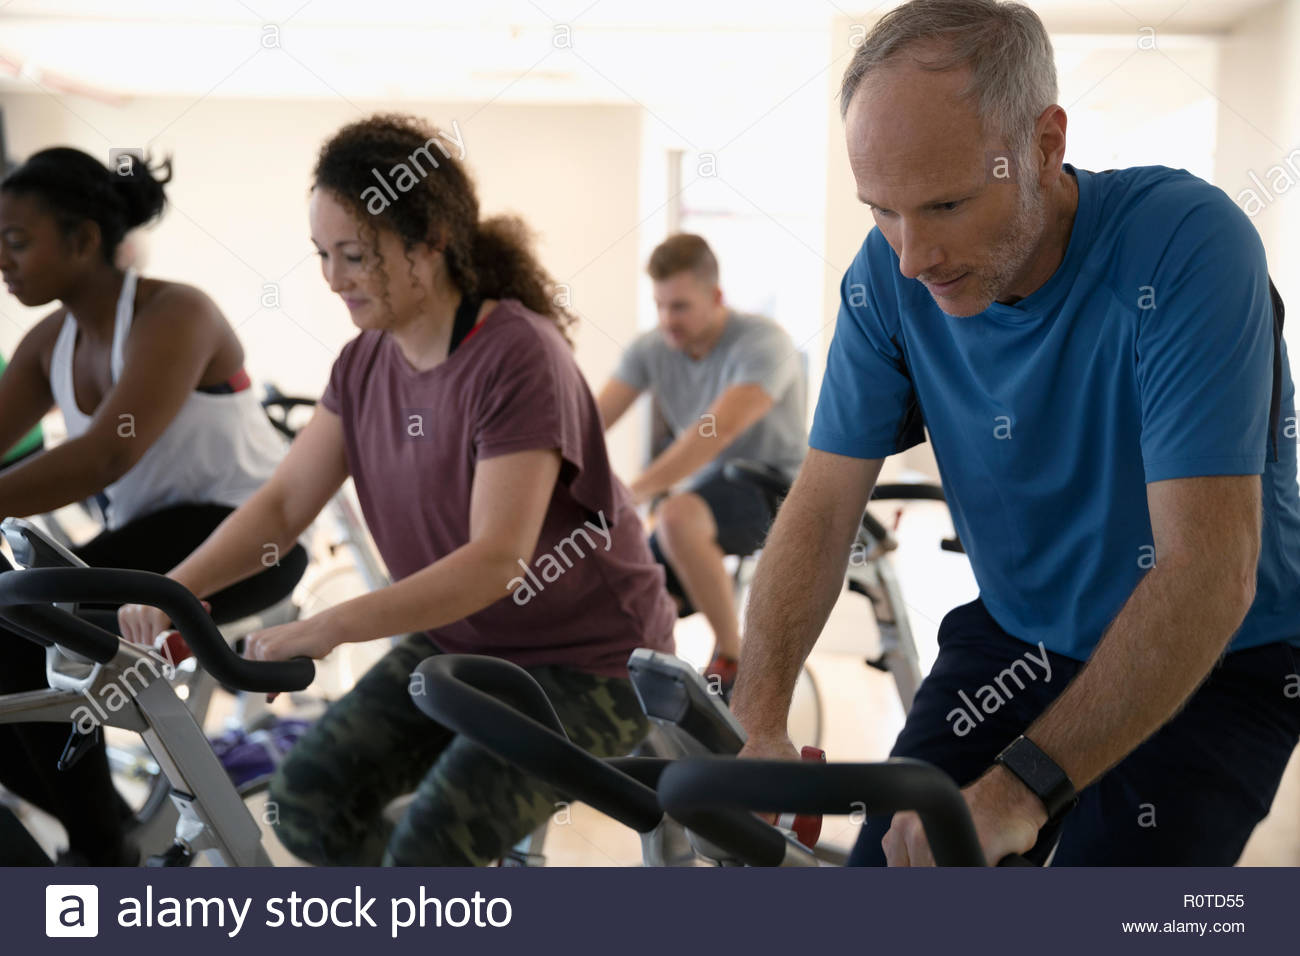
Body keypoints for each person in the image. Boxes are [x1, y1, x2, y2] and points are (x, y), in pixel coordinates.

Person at [731, 0, 1300, 866]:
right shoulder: (887, 276)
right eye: (881, 210)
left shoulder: (1186, 244)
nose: (912, 255)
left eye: (946, 203)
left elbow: (1208, 571)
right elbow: (822, 500)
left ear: (1043, 143)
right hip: (1020, 637)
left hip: (1223, 650)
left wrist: (1021, 787)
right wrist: (760, 720)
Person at [119, 113, 677, 866]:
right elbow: (284, 507)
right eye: (322, 255)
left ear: (429, 244)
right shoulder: (363, 366)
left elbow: (496, 560)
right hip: (465, 639)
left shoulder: (517, 356)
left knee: (431, 846)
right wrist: (172, 589)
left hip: (593, 663)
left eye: (354, 255)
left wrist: (337, 623)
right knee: (307, 802)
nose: (332, 277)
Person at [0, 146, 306, 865]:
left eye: (16, 242)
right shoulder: (51, 343)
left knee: (23, 636)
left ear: (81, 239)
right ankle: (107, 829)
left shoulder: (177, 312)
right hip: (151, 542)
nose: (3, 262)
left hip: (242, 540)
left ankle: (101, 851)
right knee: (13, 637)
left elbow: (108, 454)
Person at [597, 234, 806, 695]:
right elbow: (590, 422)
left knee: (674, 514)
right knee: (637, 592)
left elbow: (718, 430)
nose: (668, 320)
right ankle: (643, 696)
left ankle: (734, 659)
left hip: (777, 488)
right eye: (660, 306)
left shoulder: (763, 341)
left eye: (680, 307)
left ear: (715, 297)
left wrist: (635, 491)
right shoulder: (651, 348)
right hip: (709, 493)